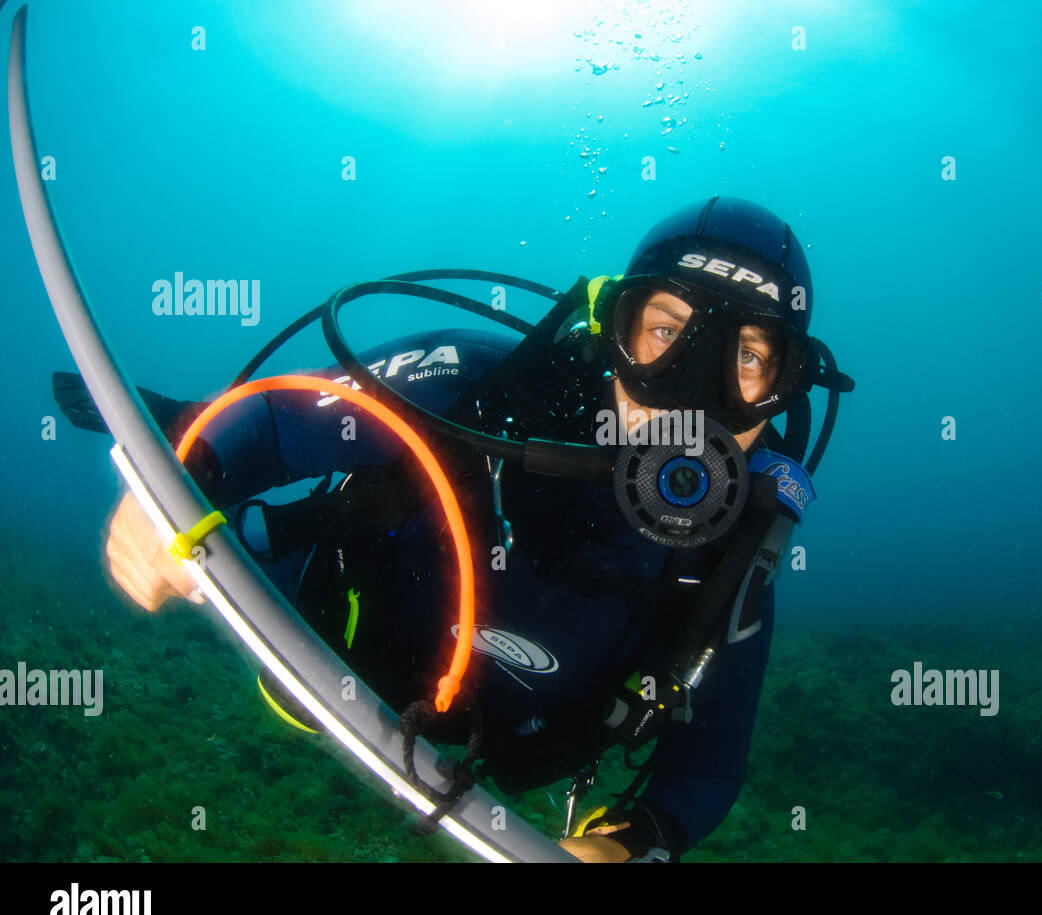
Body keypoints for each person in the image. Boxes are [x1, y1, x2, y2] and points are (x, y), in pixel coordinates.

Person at [103, 196, 842, 862]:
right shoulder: (482, 390)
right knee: (224, 499)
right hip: (333, 630)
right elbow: (270, 419)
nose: (691, 393)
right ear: (612, 328)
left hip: (497, 746)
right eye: (664, 330)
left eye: (747, 356)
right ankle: (169, 414)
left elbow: (706, 767)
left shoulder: (734, 552)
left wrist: (629, 845)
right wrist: (175, 478)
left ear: (783, 394)